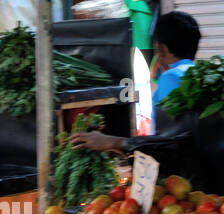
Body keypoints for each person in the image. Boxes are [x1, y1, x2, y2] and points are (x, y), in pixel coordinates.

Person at [69, 11, 204, 181]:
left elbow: (169, 141)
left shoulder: (172, 78)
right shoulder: (196, 74)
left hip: (176, 175)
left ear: (161, 49)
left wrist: (113, 142)